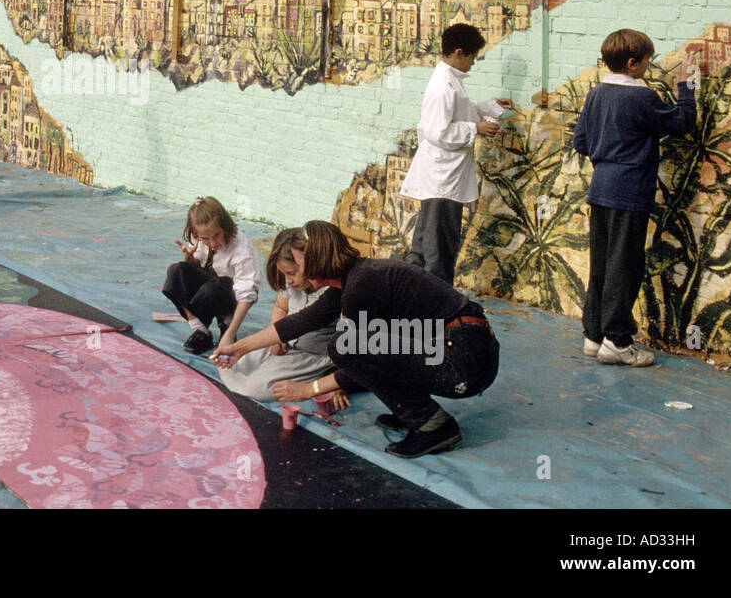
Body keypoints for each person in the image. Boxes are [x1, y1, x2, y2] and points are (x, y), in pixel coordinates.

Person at [213, 221, 499, 459]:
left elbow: (356, 358)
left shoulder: (361, 287)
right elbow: (300, 321)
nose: (292, 281)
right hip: (463, 350)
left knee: (344, 347)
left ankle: (433, 424)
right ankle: (413, 411)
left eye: (294, 269)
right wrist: (237, 348)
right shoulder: (353, 279)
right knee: (361, 345)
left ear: (318, 258)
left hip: (464, 361)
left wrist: (308, 389)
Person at [572, 29, 695, 367]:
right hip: (630, 190)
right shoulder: (642, 98)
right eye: (647, 61)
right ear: (632, 62)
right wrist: (687, 87)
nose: (649, 66)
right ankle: (618, 341)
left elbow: (581, 142)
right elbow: (682, 121)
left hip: (600, 188)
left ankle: (593, 335)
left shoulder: (596, 94)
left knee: (602, 264)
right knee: (625, 266)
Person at [400, 23, 514, 284]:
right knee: (439, 245)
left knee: (426, 240)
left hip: (443, 176)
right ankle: (437, 302)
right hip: (443, 178)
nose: (473, 63)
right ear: (460, 52)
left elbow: (459, 113)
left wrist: (492, 107)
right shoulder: (443, 87)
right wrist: (476, 128)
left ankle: (417, 294)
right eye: (473, 57)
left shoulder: (450, 81)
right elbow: (437, 131)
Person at [217, 227, 362, 408]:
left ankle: (327, 375)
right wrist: (270, 340)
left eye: (292, 273)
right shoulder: (293, 283)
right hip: (286, 343)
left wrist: (338, 384)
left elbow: (359, 353)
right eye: (284, 274)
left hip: (314, 355)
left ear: (310, 265)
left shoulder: (336, 291)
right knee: (235, 367)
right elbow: (281, 308)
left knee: (258, 387)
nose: (289, 281)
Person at [161, 196, 261, 355]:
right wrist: (189, 259)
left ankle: (226, 324)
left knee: (213, 288)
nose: (213, 243)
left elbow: (246, 295)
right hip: (209, 287)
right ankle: (201, 331)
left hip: (231, 295)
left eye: (217, 235)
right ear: (196, 232)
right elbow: (198, 270)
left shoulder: (242, 250)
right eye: (205, 238)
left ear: (225, 227)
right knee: (176, 271)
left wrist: (230, 333)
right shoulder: (199, 236)